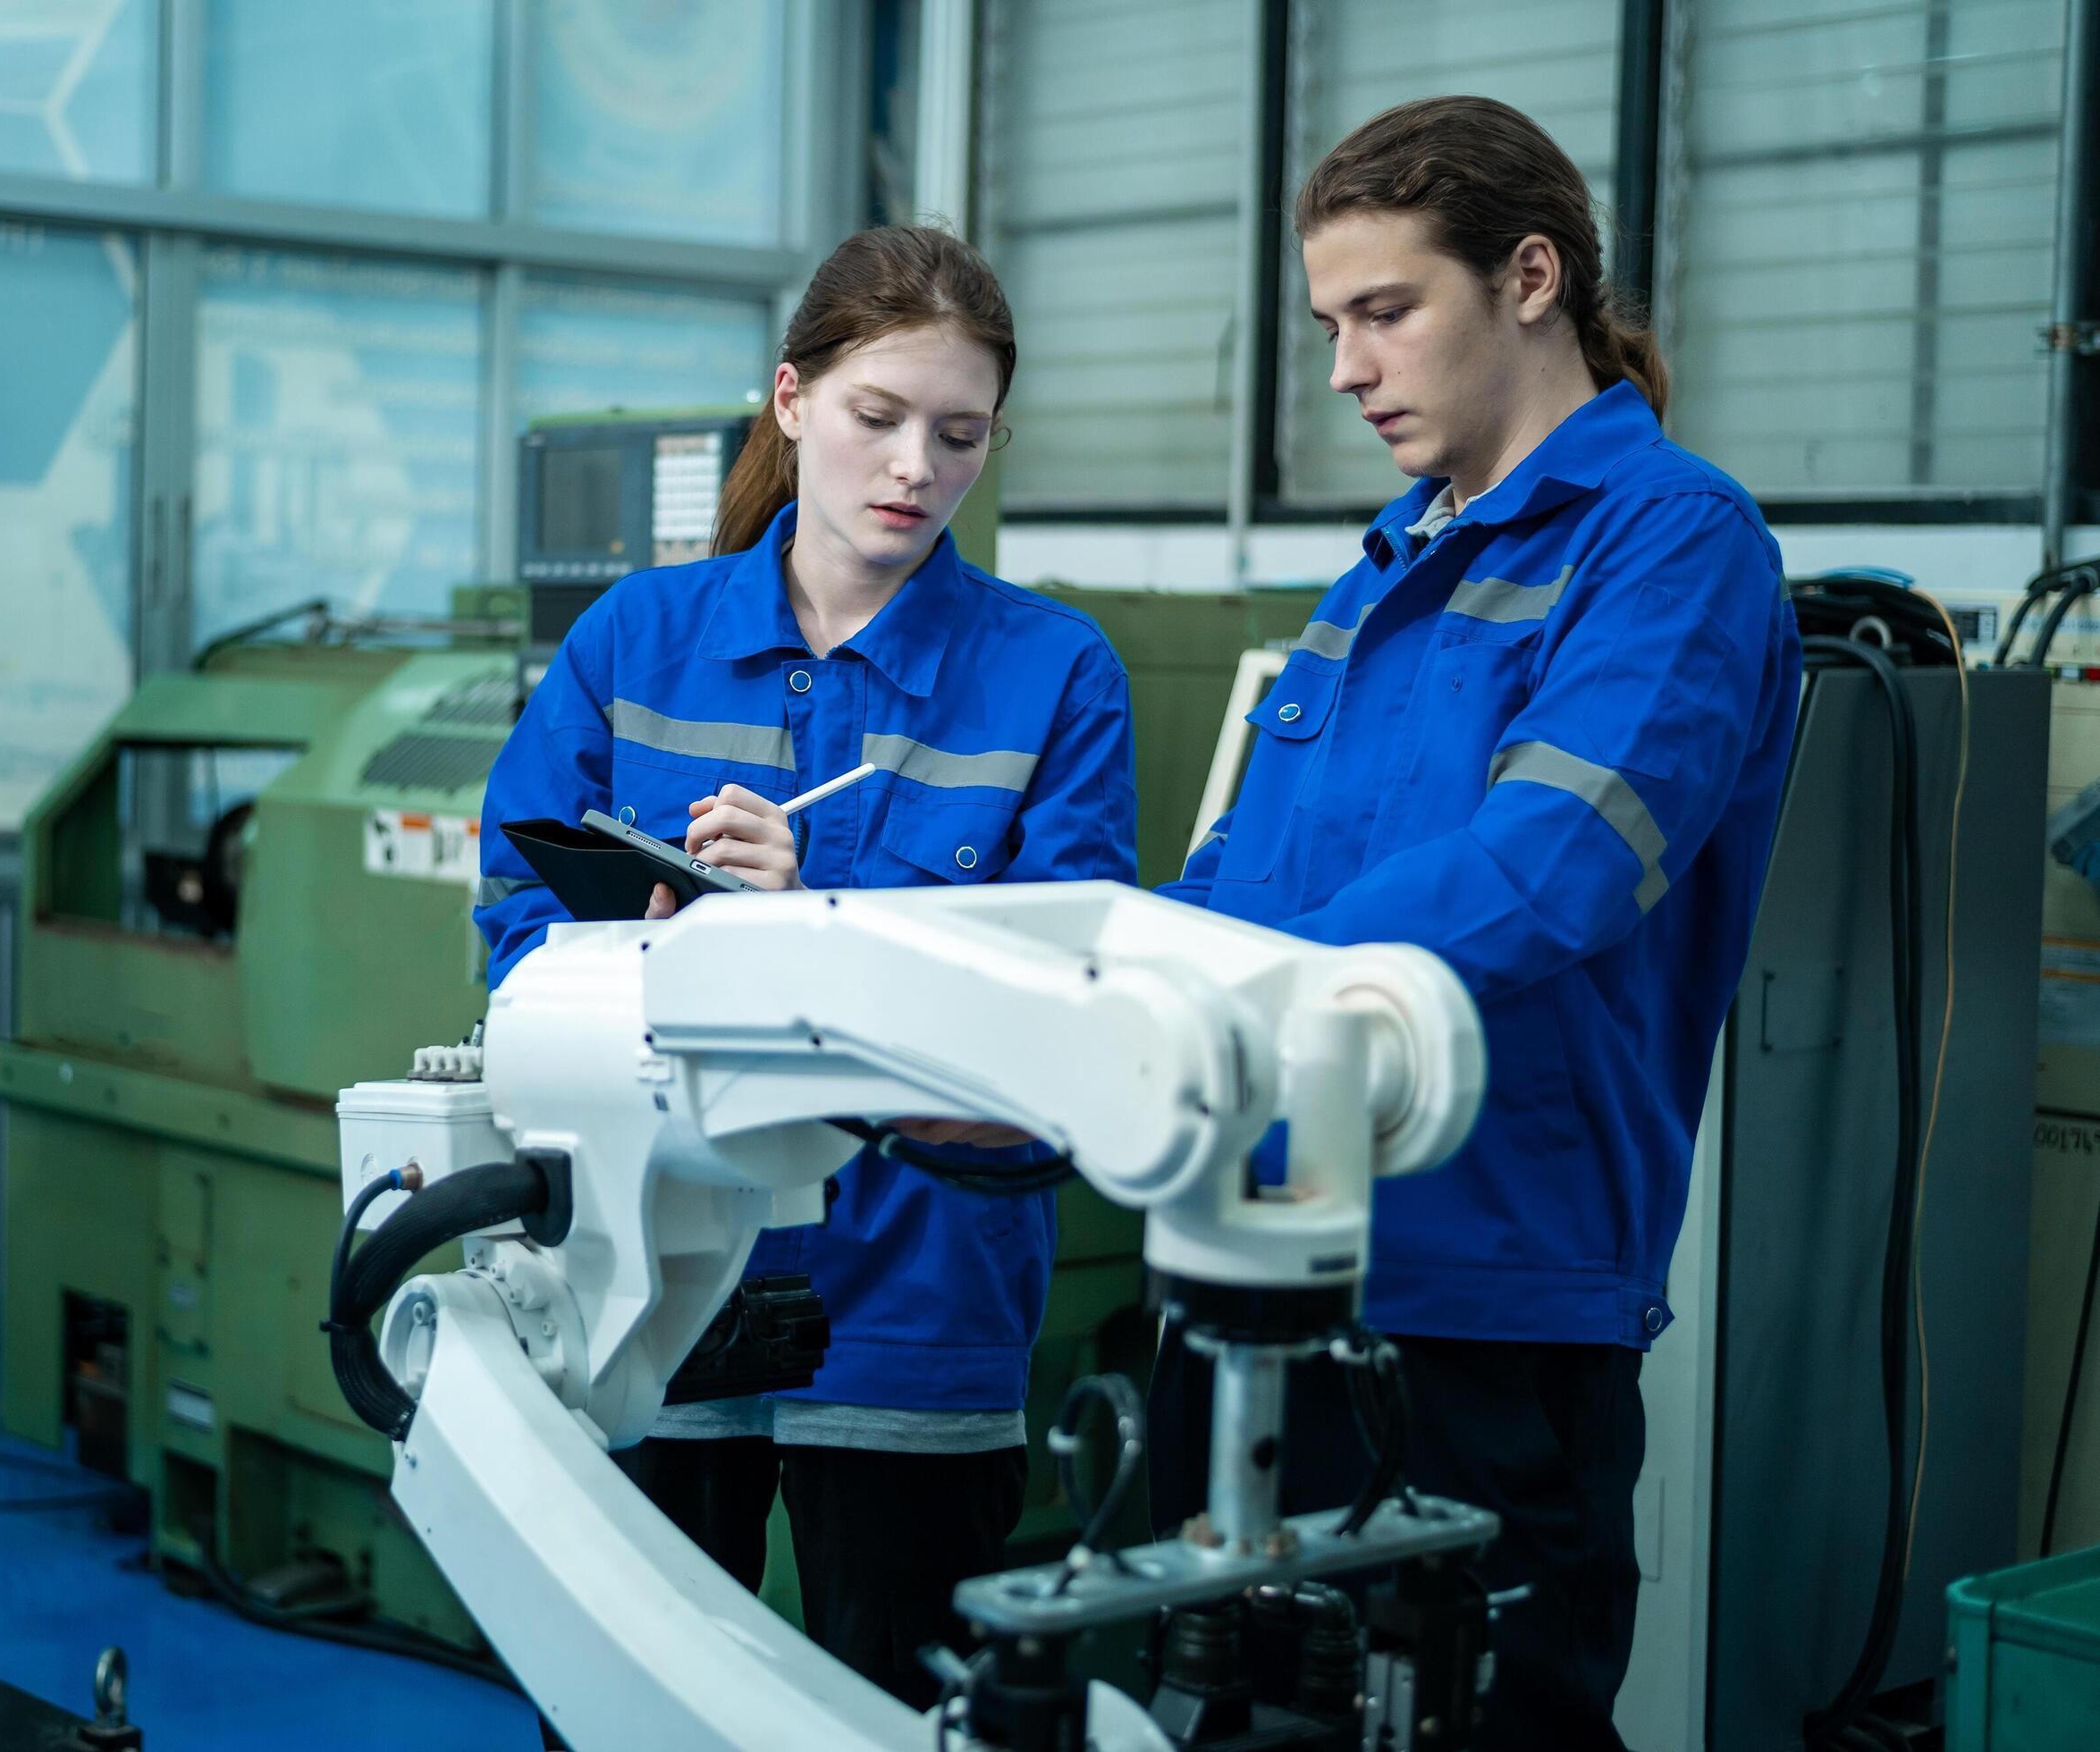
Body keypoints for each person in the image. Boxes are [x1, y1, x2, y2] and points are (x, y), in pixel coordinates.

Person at [1149, 97, 1801, 1747]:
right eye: (1328, 325)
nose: (1346, 369)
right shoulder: (1371, 577)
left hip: (1487, 1292)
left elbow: (1554, 863)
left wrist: (1207, 1006)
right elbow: (1230, 878)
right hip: (1264, 1255)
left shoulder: (1673, 545)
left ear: (1529, 278)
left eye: (1385, 313)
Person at [472, 224, 1137, 1706]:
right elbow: (515, 917)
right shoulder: (633, 638)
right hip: (655, 1269)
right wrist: (627, 956)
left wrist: (808, 910)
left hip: (921, 1294)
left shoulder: (1054, 672)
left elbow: (1068, 984)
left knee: (890, 1706)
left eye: (957, 435)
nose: (914, 468)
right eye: (875, 418)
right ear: (789, 401)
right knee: (624, 1703)